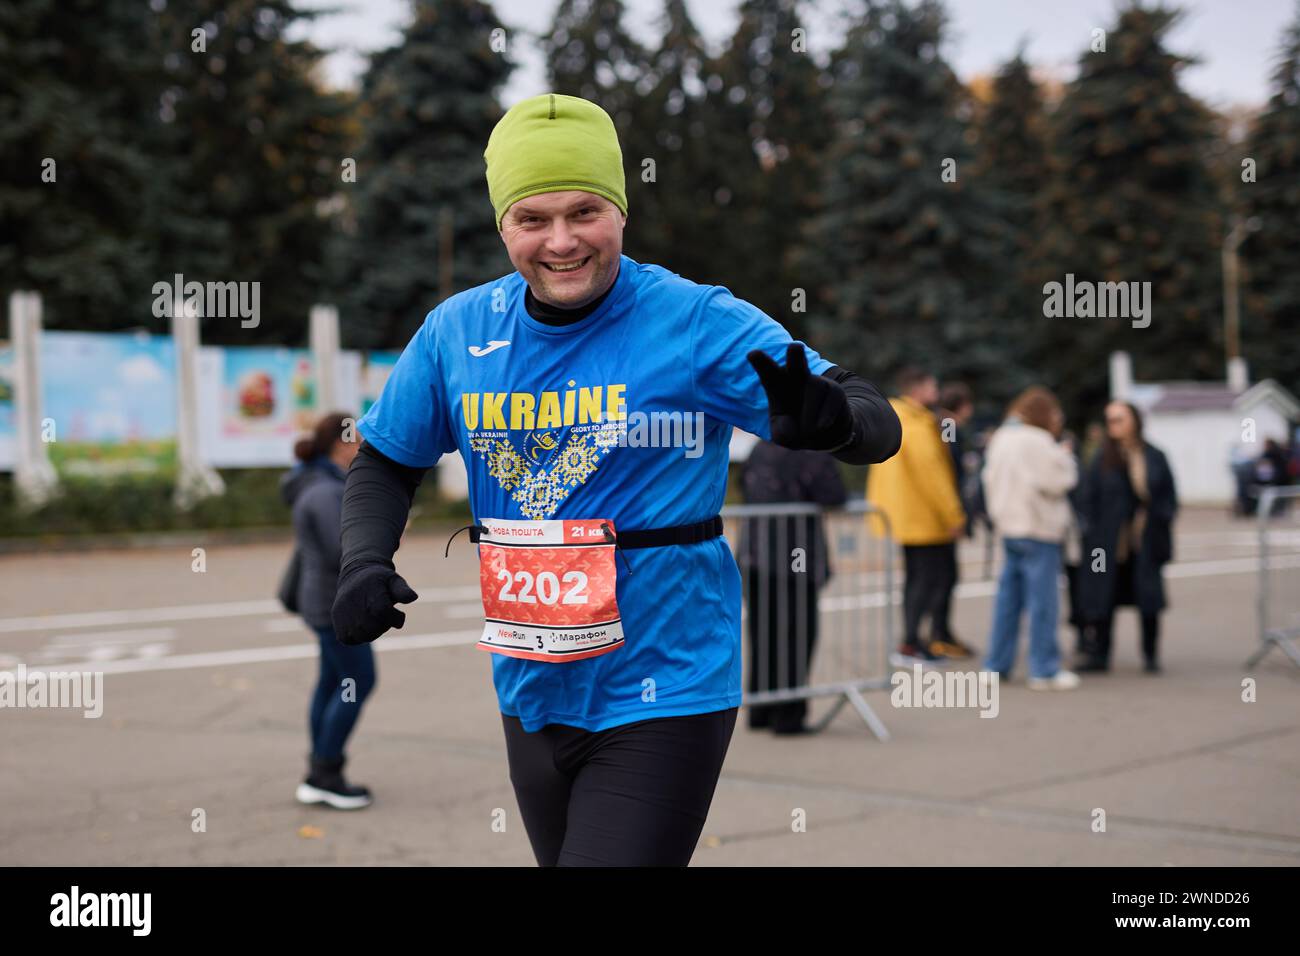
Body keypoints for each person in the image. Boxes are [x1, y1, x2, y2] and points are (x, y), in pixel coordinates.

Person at [330, 93, 901, 866]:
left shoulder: (692, 319)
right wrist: (364, 559)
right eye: (532, 219)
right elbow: (387, 460)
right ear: (503, 225)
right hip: (530, 684)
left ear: (621, 213)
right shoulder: (458, 330)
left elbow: (874, 416)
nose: (561, 241)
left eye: (585, 212)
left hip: (667, 682)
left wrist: (831, 421)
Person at [280, 412, 376, 809]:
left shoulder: (324, 483)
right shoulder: (323, 491)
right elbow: (343, 552)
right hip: (332, 605)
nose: (364, 449)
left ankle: (320, 767)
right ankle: (325, 772)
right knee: (359, 681)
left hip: (323, 601)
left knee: (331, 681)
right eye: (359, 441)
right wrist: (383, 539)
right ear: (342, 445)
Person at [739, 441, 847, 735]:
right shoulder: (810, 451)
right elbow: (834, 494)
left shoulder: (761, 447)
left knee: (763, 634)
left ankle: (761, 709)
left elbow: (744, 483)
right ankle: (788, 715)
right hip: (794, 556)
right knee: (797, 636)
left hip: (755, 554)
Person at [981, 387, 1080, 690]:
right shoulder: (1038, 441)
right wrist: (1065, 458)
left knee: (1008, 600)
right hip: (1038, 528)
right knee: (1043, 602)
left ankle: (996, 665)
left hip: (1009, 527)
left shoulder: (1001, 437)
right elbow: (1060, 481)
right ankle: (1044, 669)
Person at [867, 367, 966, 665]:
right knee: (927, 581)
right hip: (925, 518)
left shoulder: (895, 419)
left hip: (904, 515)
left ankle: (911, 642)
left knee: (915, 580)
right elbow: (933, 476)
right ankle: (911, 643)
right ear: (919, 389)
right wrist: (954, 515)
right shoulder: (918, 425)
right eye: (932, 387)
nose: (936, 393)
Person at [1076, 401, 1178, 674]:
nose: (1113, 425)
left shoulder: (1154, 456)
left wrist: (1158, 520)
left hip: (1144, 541)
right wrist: (1092, 532)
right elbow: (1087, 498)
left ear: (1134, 420)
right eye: (1109, 420)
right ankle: (1100, 655)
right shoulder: (1102, 458)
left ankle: (1150, 654)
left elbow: (1168, 496)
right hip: (1107, 544)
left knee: (1148, 600)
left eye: (1119, 419)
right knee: (1102, 598)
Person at [932, 382, 976, 657]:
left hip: (942, 510)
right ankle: (940, 633)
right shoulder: (948, 426)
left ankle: (940, 632)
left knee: (942, 575)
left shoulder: (936, 423)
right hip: (947, 512)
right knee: (944, 576)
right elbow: (949, 464)